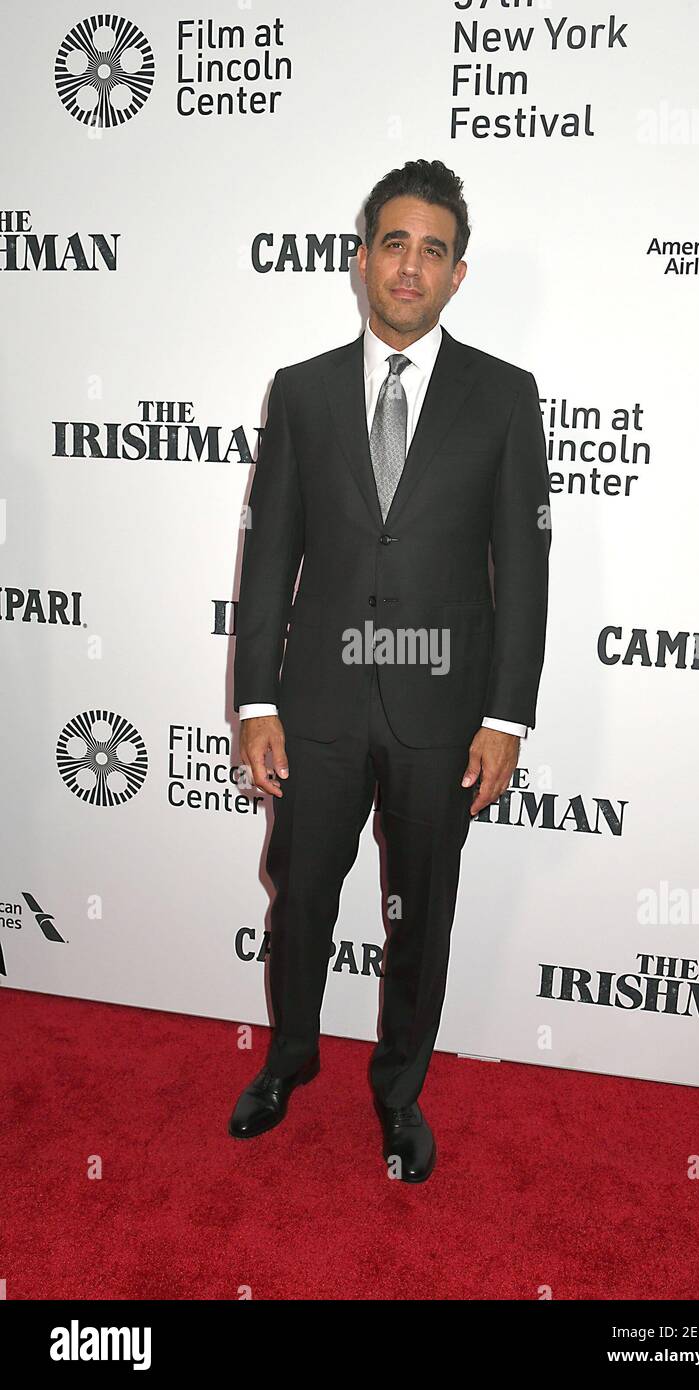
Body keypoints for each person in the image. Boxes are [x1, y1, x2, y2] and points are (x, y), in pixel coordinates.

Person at [228, 158, 551, 1182]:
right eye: (394, 243)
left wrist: (507, 717)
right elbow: (270, 555)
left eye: (434, 250)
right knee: (303, 900)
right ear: (362, 256)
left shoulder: (504, 398)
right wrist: (256, 696)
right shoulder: (305, 392)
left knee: (422, 910)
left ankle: (400, 1095)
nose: (410, 266)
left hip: (442, 713)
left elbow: (524, 569)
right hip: (316, 704)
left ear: (459, 274)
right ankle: (287, 1059)